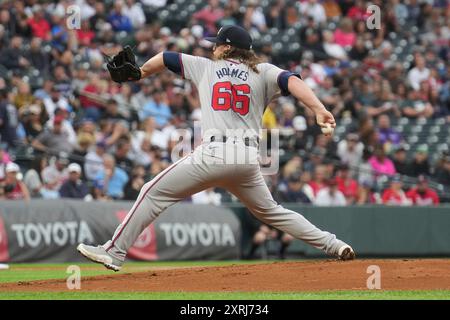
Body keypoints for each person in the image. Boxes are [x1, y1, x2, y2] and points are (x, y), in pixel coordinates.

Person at [77, 25, 355, 271]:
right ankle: (334, 244)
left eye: (217, 43)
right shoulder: (263, 71)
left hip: (215, 153)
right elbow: (293, 81)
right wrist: (319, 108)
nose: (214, 47)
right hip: (247, 159)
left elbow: (165, 57)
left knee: (152, 192)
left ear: (227, 47)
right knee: (272, 211)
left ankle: (114, 251)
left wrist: (140, 73)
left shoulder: (206, 67)